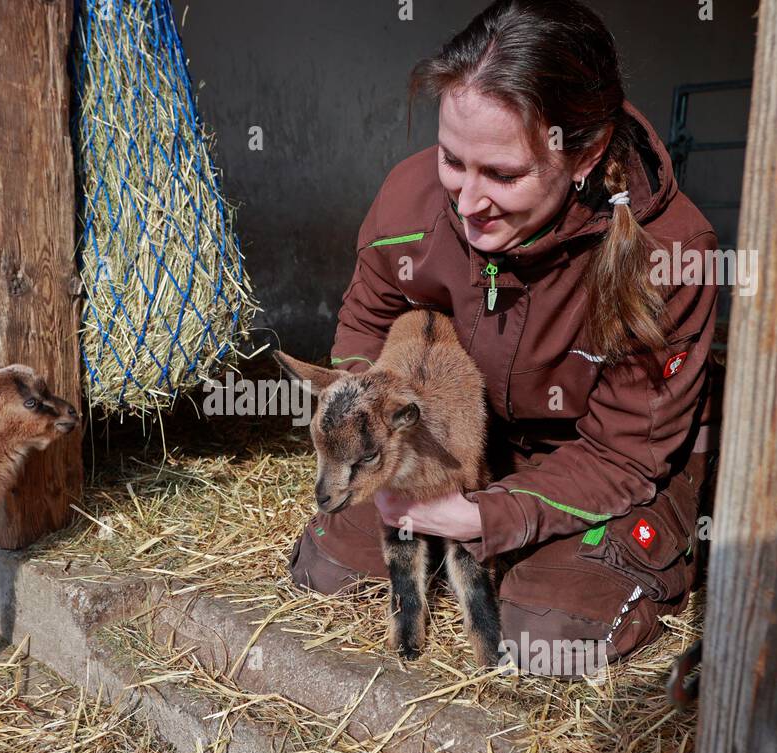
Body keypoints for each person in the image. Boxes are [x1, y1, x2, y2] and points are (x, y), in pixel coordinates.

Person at [288, 0, 723, 675]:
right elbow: (363, 345)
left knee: (548, 631)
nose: (465, 202)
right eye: (452, 159)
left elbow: (624, 453)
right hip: (472, 446)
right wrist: (386, 445)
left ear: (585, 153)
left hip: (600, 469)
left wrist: (492, 515)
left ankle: (589, 564)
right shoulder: (410, 204)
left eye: (503, 174)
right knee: (333, 567)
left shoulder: (671, 253)